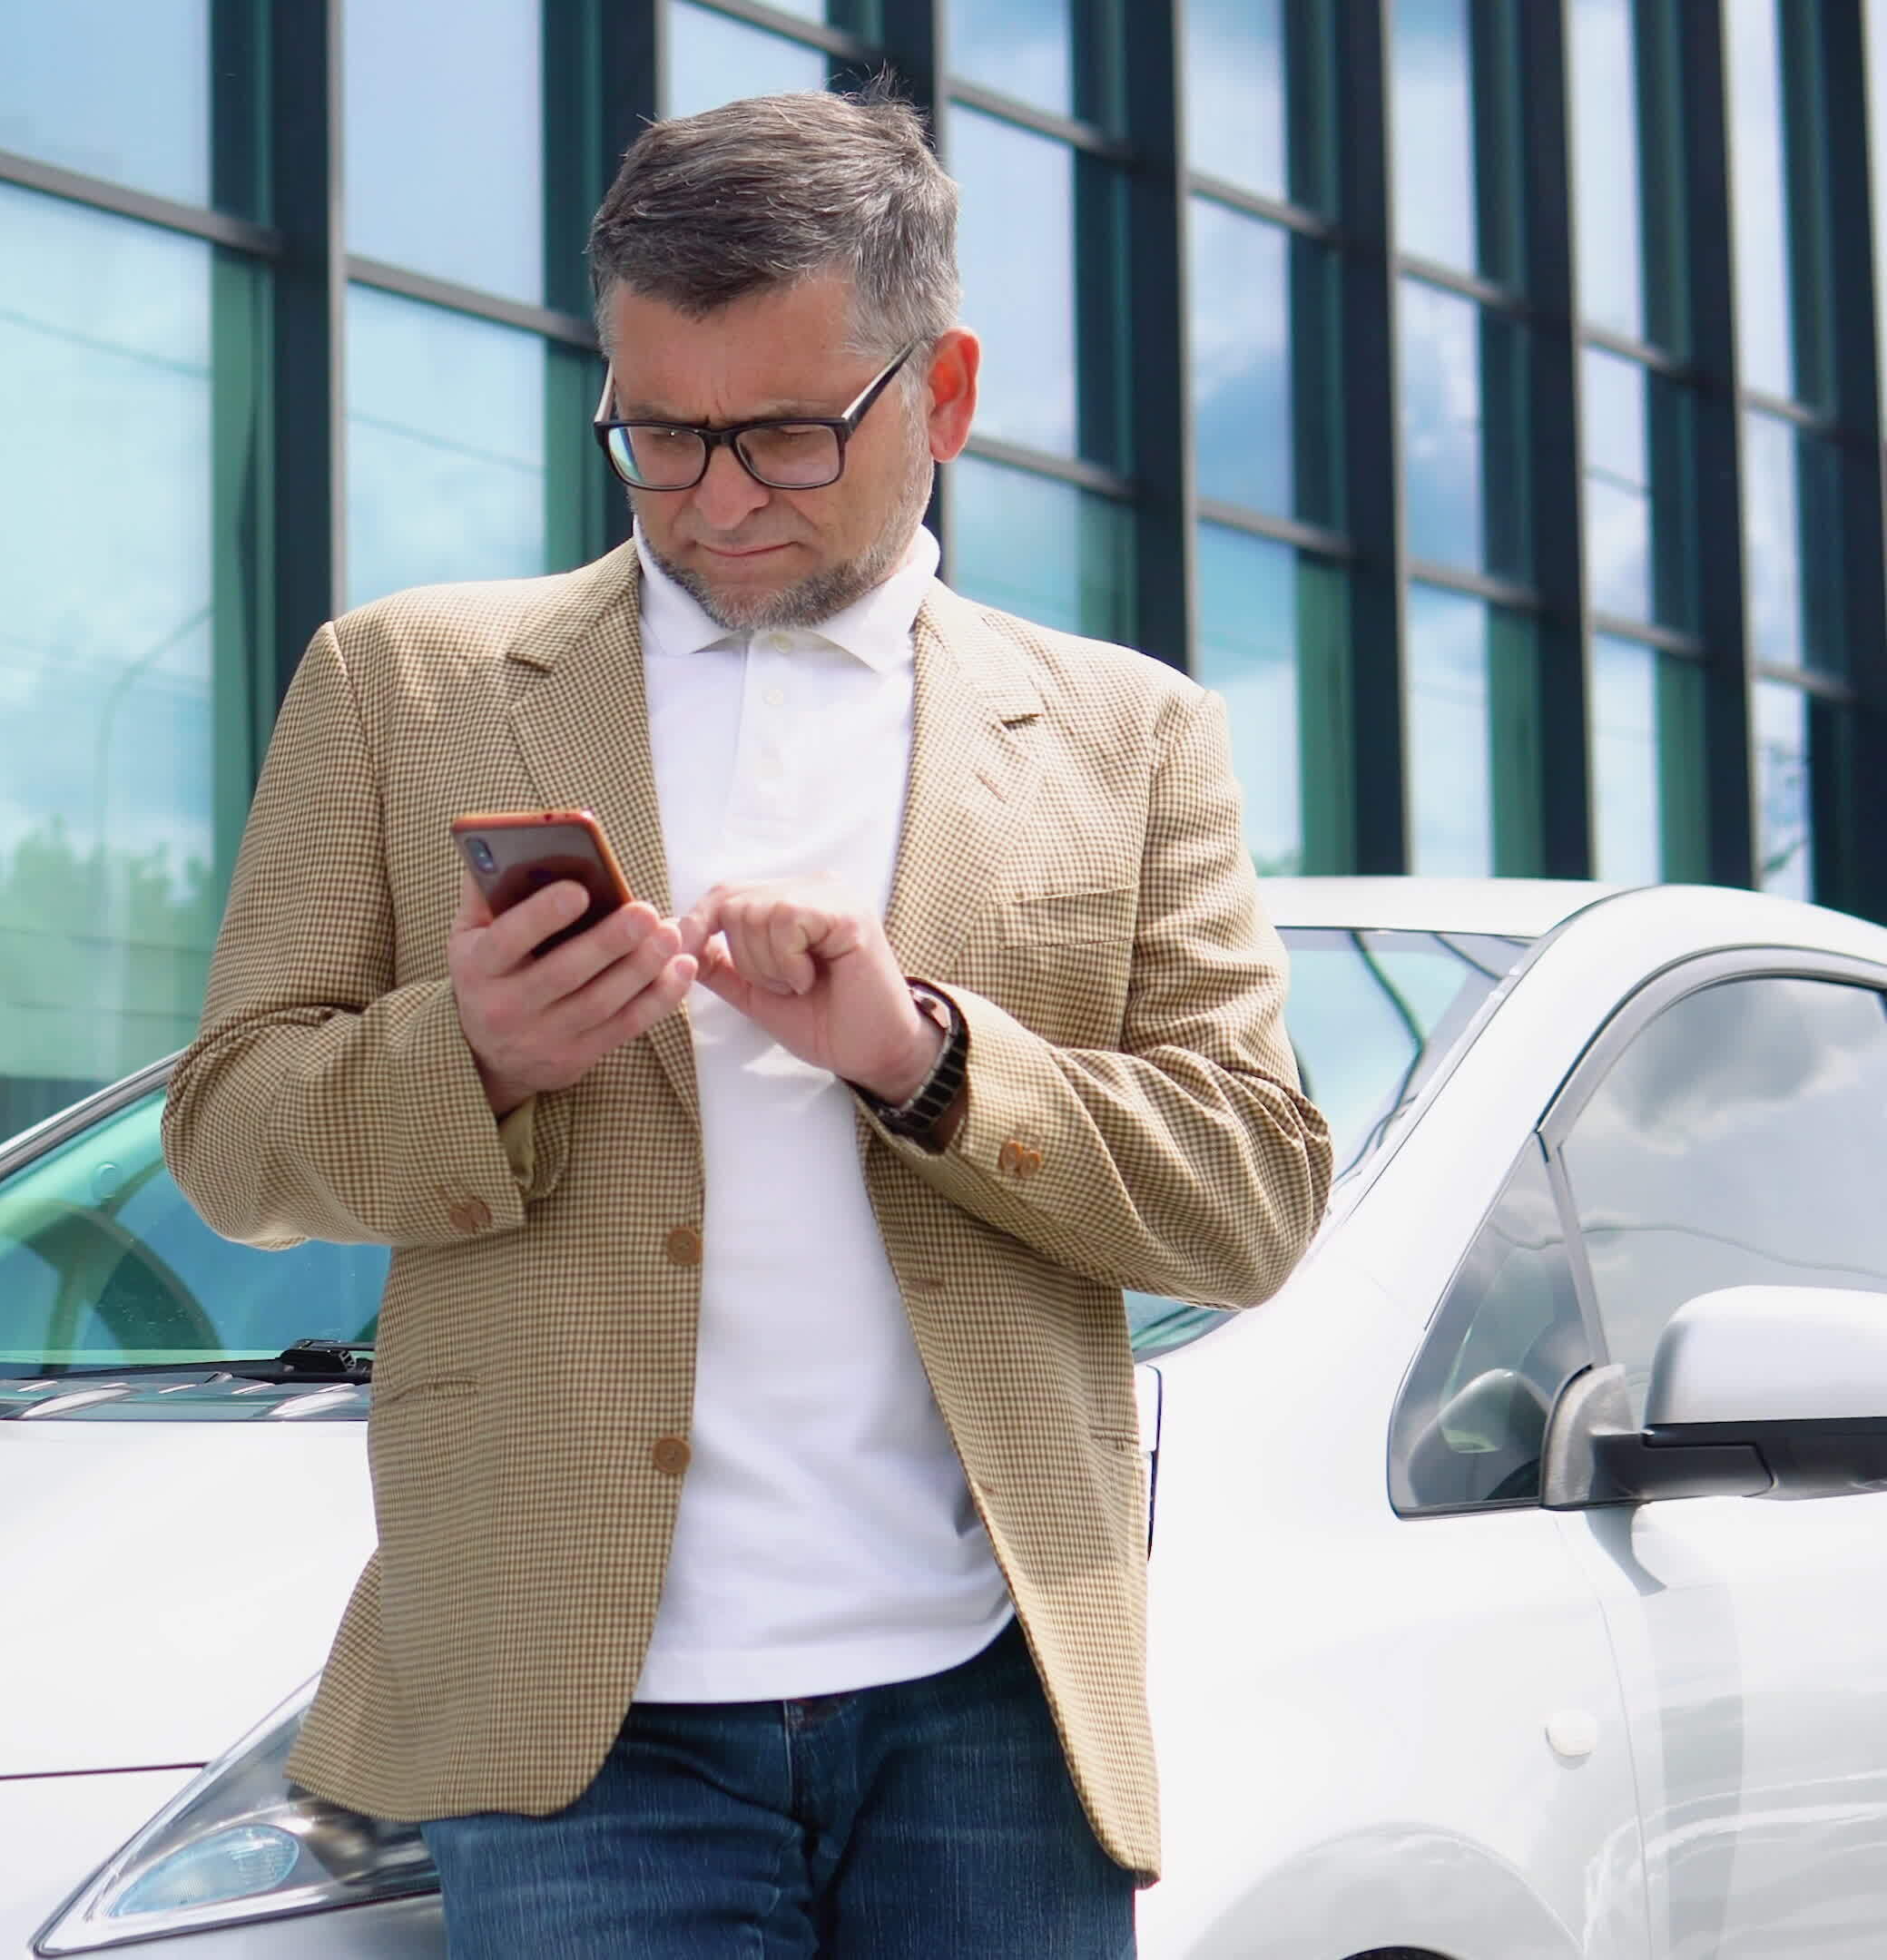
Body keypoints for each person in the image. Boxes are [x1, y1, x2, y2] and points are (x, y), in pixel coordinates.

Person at [161, 86, 1332, 1958]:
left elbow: (1254, 1198)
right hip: (576, 1720)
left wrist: (925, 1055)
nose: (716, 501)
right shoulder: (404, 687)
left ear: (940, 397)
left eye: (785, 436)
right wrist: (470, 1055)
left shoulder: (1130, 738)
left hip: (992, 1712)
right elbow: (226, 1136)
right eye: (663, 437)